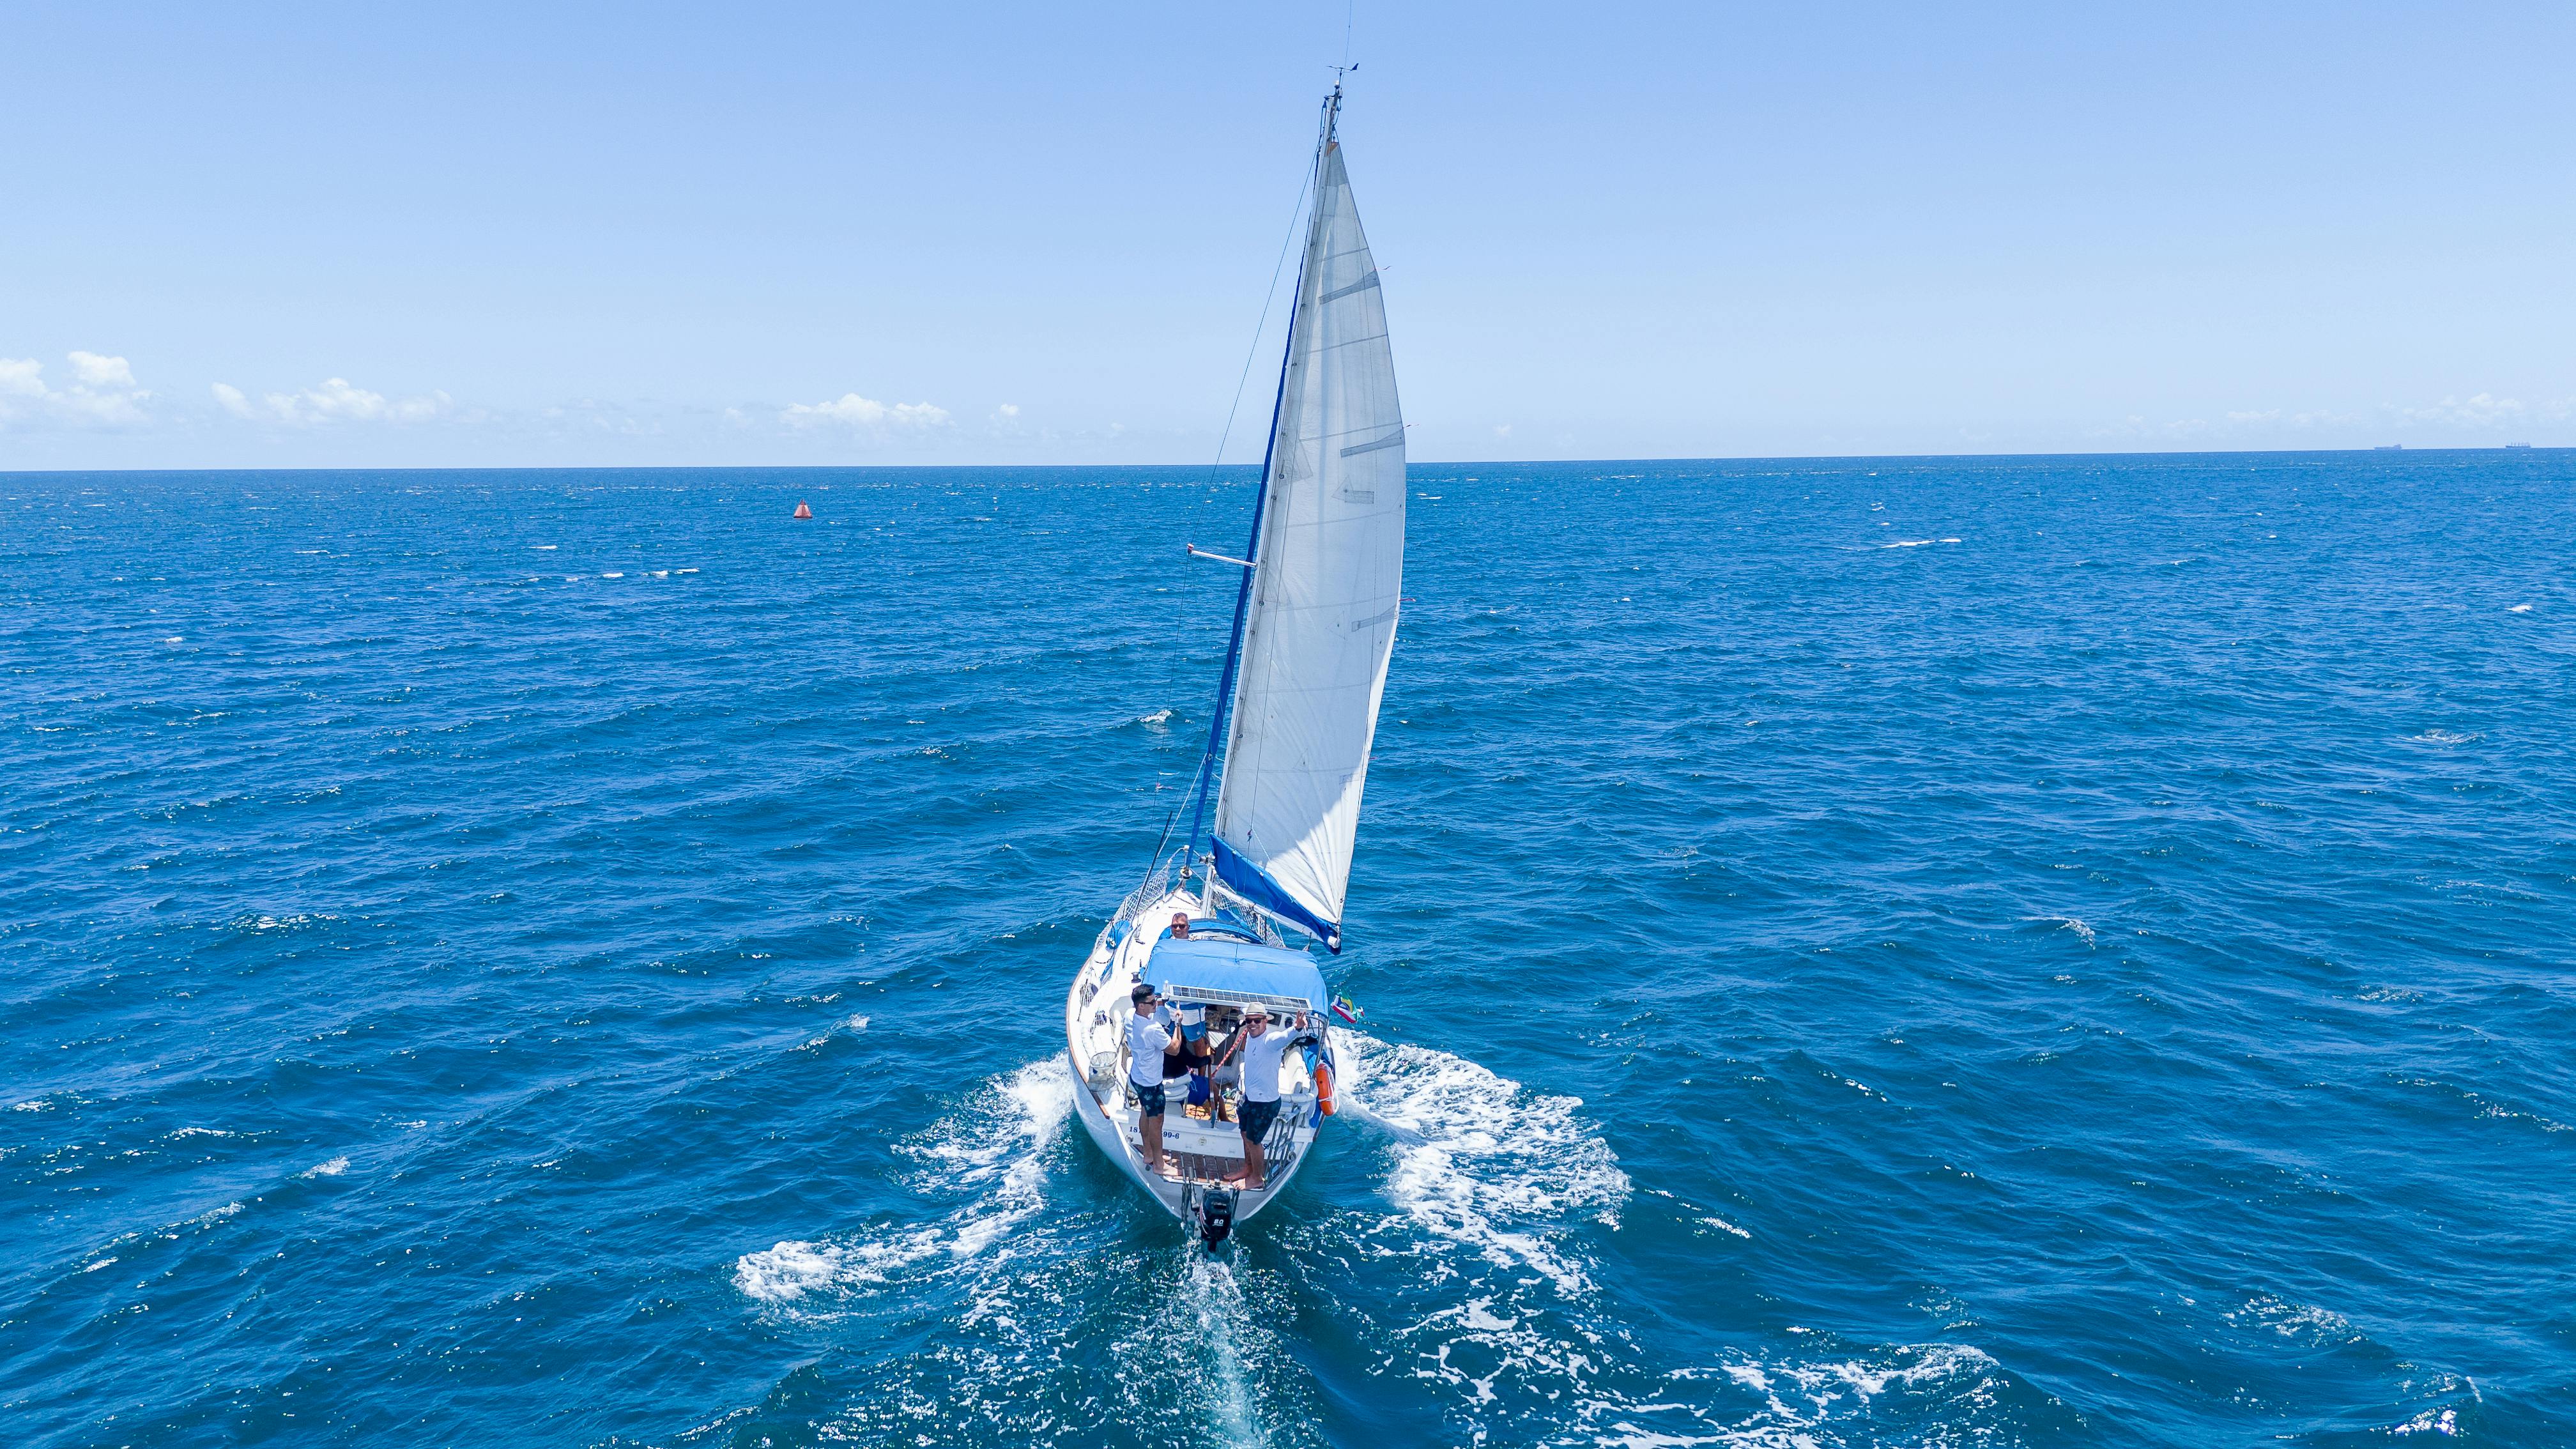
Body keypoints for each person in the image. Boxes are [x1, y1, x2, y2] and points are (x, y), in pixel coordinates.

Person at [1211, 1005, 1319, 1191]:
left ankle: (1256, 1178)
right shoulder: (1250, 1035)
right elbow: (1246, 1008)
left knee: (1254, 1141)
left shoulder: (1270, 1040)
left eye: (1257, 1020)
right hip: (1249, 1099)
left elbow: (1286, 1036)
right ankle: (1248, 1168)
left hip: (1265, 1104)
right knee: (1244, 1134)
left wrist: (1298, 1027)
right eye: (1248, 1020)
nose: (1252, 1024)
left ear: (1266, 1021)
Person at [1126, 982, 1178, 1175]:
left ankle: (1149, 1153)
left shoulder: (1129, 1016)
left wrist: (1160, 1003)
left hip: (1138, 1078)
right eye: (1153, 1002)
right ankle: (1158, 1165)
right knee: (1157, 1122)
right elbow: (1174, 1049)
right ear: (1142, 1006)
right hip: (1152, 1083)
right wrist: (1178, 1025)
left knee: (1145, 1114)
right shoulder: (1153, 1029)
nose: (1156, 1004)